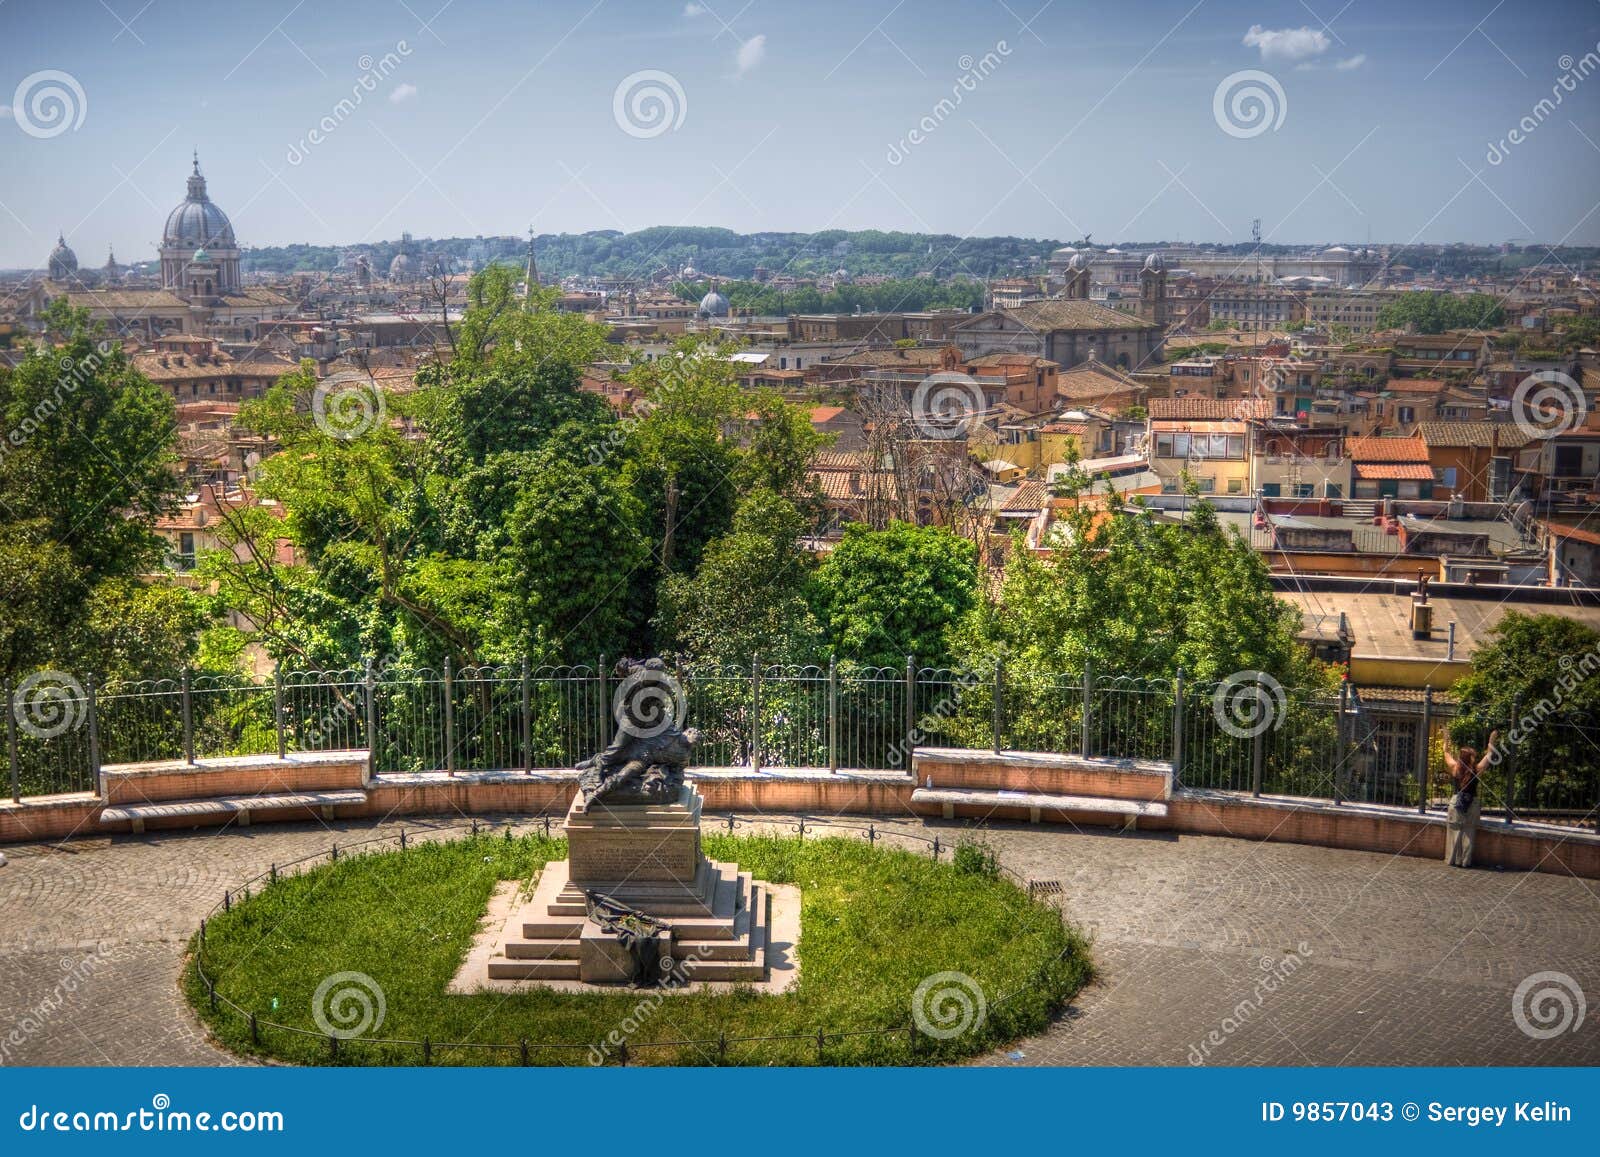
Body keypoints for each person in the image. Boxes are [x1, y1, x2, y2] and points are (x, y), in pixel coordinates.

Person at [1443, 731, 1499, 868]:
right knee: (1469, 833)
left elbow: (1446, 753)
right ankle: (1465, 861)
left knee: (1454, 832)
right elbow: (1489, 755)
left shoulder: (1455, 768)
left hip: (1456, 801)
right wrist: (1491, 740)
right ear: (1471, 758)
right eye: (1473, 756)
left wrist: (1446, 738)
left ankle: (1452, 859)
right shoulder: (1477, 769)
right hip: (1472, 803)